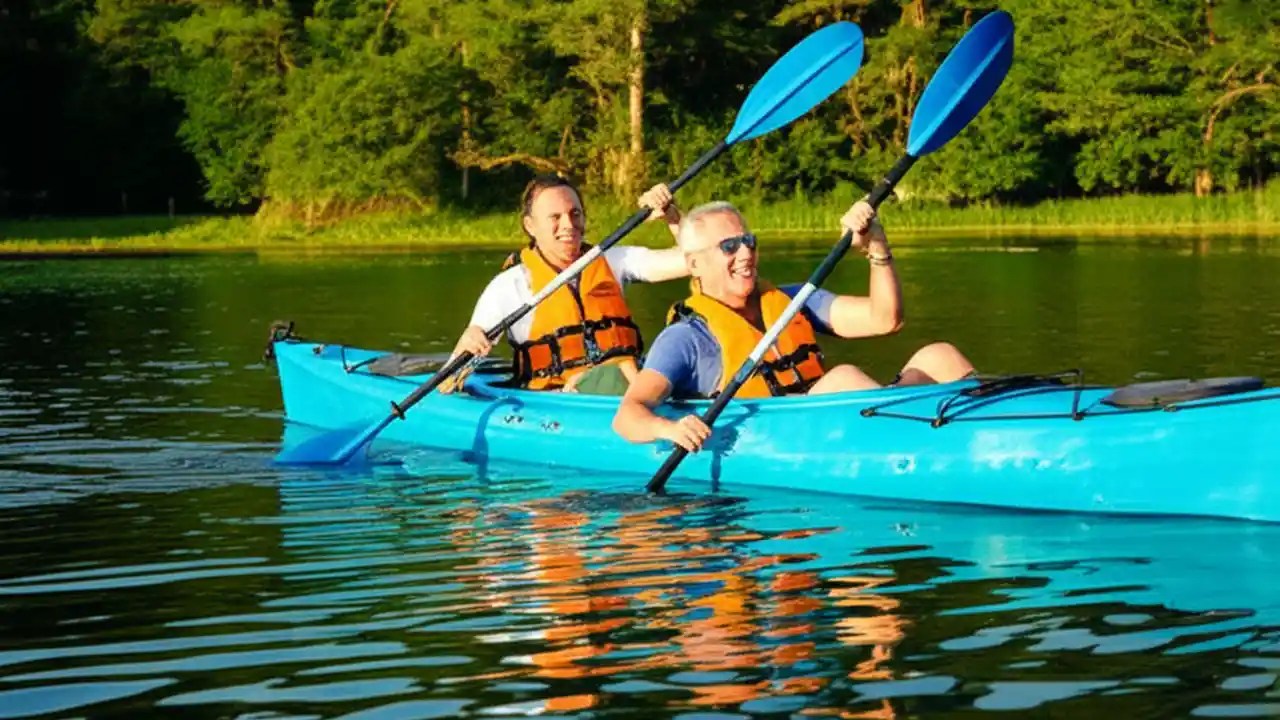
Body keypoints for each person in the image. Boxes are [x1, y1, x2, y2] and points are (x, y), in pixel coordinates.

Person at [612, 199, 976, 452]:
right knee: (843, 378)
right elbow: (628, 415)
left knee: (940, 357)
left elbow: (885, 319)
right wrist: (670, 428)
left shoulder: (794, 300)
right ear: (693, 264)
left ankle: (984, 432)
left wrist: (876, 249)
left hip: (846, 427)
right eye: (729, 246)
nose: (746, 254)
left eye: (748, 241)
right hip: (786, 442)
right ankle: (935, 443)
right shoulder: (685, 338)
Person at [443, 175, 688, 394]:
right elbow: (448, 381)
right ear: (530, 226)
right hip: (555, 402)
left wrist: (674, 219)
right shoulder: (509, 286)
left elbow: (694, 261)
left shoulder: (616, 261)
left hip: (627, 390)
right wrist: (468, 343)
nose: (568, 225)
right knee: (617, 376)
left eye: (575, 214)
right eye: (555, 217)